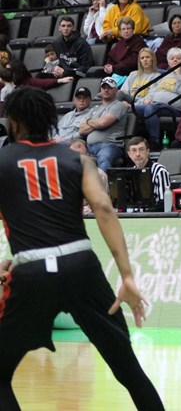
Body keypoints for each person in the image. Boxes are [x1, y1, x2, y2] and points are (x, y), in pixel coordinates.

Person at [0, 87, 164, 409]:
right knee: (128, 368)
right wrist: (127, 275)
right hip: (82, 267)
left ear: (13, 121)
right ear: (51, 119)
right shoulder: (78, 160)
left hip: (32, 271)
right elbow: (104, 208)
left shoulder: (2, 162)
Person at [136, 47, 181, 149]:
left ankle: (155, 142)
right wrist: (147, 99)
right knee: (131, 109)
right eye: (172, 58)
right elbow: (153, 90)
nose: (175, 60)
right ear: (168, 62)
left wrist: (179, 75)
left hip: (175, 108)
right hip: (155, 105)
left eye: (178, 58)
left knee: (150, 109)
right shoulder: (164, 75)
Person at [78, 77, 128, 171]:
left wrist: (89, 121)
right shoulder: (95, 108)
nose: (106, 90)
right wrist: (97, 123)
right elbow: (81, 129)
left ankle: (102, 185)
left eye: (109, 88)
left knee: (104, 159)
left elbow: (103, 123)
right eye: (104, 87)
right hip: (89, 147)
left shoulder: (119, 105)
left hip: (110, 145)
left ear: (116, 90)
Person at [125, 136, 171, 212]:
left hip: (156, 217)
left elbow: (164, 204)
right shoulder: (129, 173)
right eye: (134, 150)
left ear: (147, 151)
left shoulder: (160, 171)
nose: (137, 154)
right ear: (129, 154)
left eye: (141, 149)